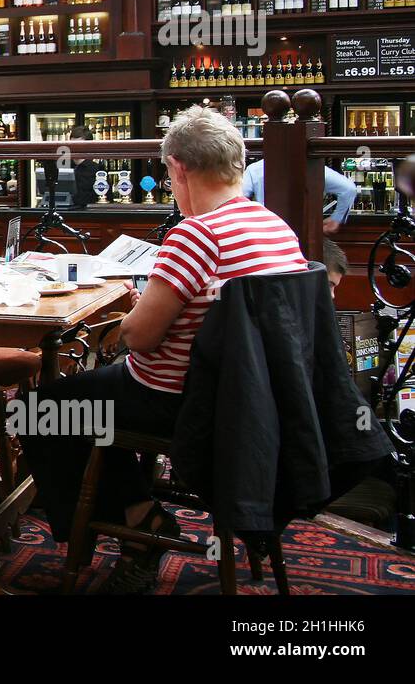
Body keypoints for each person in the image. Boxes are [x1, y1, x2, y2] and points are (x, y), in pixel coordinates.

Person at [20, 105, 308, 592]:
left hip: (181, 401)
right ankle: (138, 515)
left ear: (177, 168)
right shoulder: (275, 228)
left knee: (40, 409)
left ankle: (139, 526)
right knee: (85, 402)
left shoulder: (197, 234)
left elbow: (139, 338)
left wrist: (137, 309)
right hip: (255, 400)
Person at [242, 156, 357, 235]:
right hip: (304, 234)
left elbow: (239, 197)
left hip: (267, 232)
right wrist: (336, 218)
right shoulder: (311, 167)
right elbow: (349, 189)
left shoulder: (255, 169)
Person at [68, 124, 103, 208]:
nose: (74, 149)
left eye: (78, 146)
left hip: (89, 216)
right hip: (65, 214)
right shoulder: (63, 167)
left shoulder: (96, 170)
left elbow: (106, 199)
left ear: (88, 147)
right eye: (72, 145)